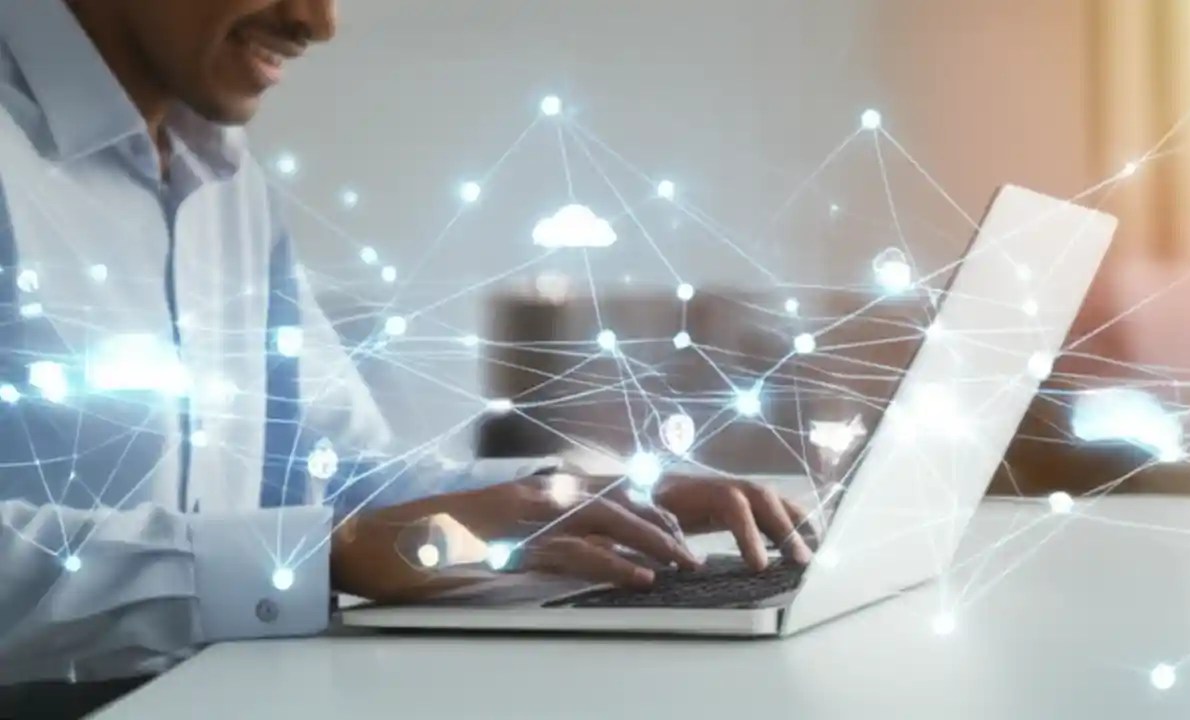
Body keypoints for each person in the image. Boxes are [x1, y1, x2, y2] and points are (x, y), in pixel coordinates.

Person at [0, 0, 813, 703]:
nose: (318, 21)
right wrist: (320, 556)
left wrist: (581, 497)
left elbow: (337, 473)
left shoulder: (222, 179)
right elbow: (340, 535)